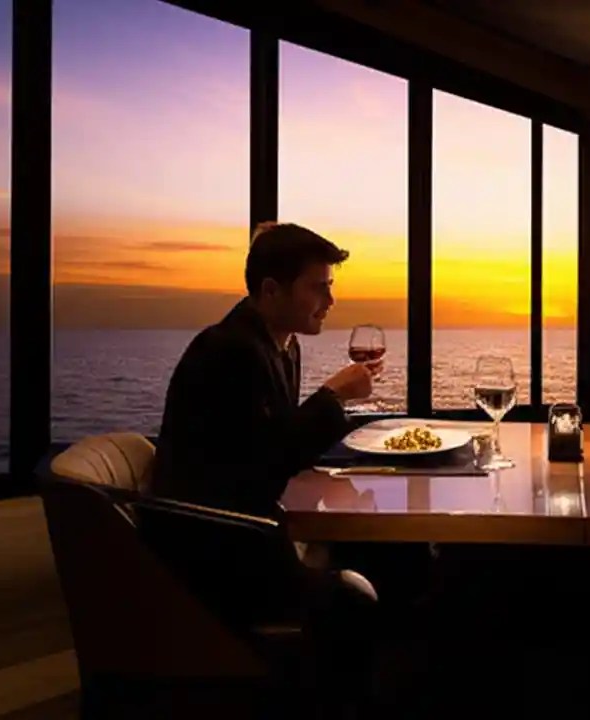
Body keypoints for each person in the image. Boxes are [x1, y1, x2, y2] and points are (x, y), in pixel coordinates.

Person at [145, 222, 385, 717]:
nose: (330, 302)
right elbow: (263, 462)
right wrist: (333, 396)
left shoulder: (282, 345)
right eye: (319, 288)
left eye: (330, 287)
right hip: (218, 550)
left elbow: (272, 446)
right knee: (357, 594)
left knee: (381, 554)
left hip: (243, 526)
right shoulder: (227, 351)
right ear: (271, 290)